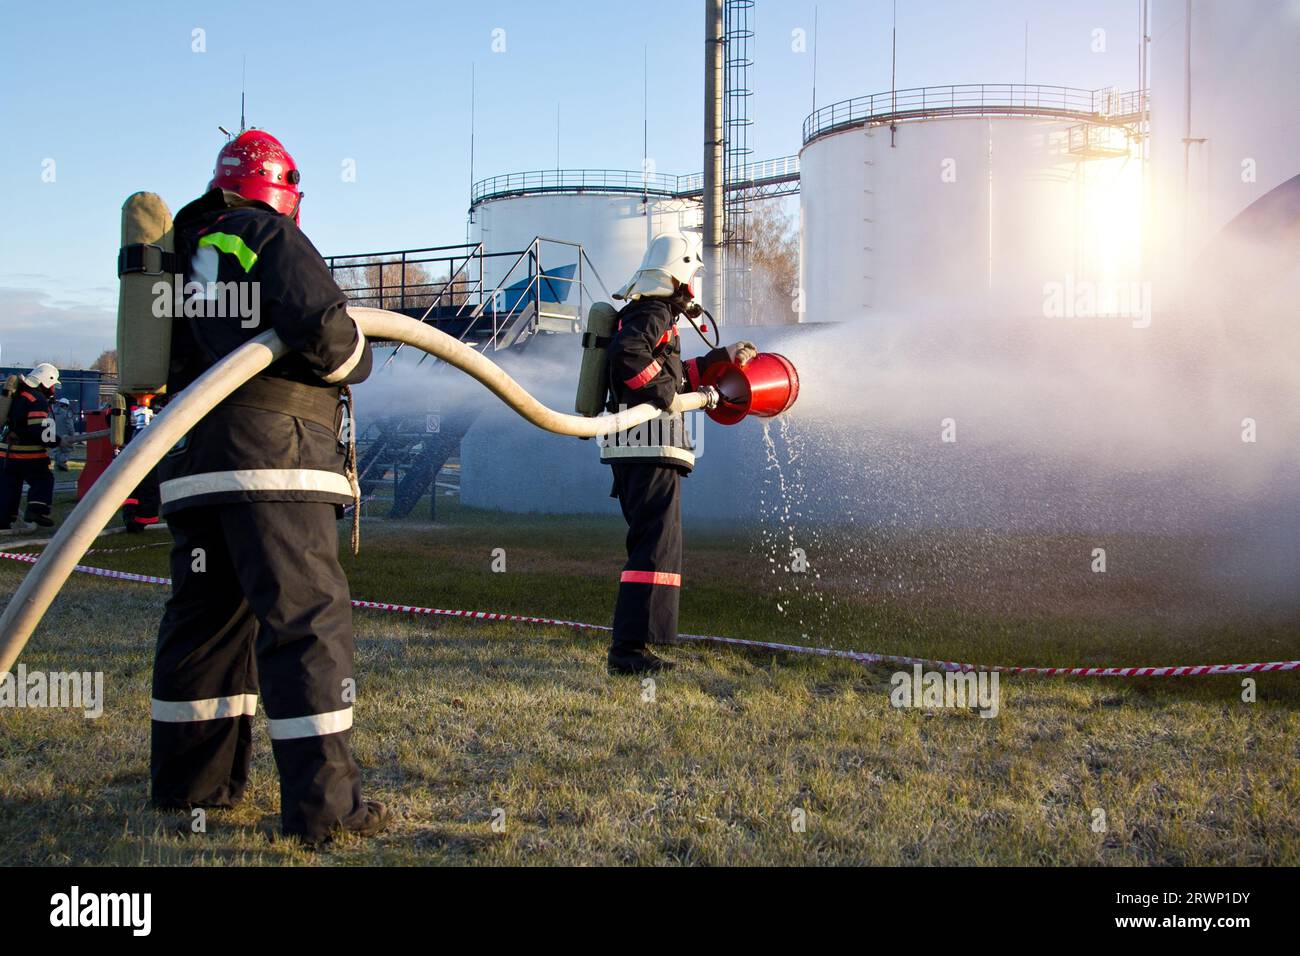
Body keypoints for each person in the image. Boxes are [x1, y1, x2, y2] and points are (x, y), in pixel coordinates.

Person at [149, 128, 385, 845]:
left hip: (195, 464)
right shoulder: (262, 230)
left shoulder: (184, 253)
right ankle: (326, 811)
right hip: (273, 461)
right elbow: (327, 334)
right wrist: (359, 358)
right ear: (283, 189)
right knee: (305, 626)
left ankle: (193, 788)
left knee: (207, 627)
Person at [601, 235, 755, 675]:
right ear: (677, 274)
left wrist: (718, 360)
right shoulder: (652, 312)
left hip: (643, 445)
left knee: (653, 543)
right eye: (691, 276)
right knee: (655, 545)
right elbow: (629, 357)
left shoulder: (654, 314)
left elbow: (673, 374)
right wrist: (663, 391)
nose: (693, 288)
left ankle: (633, 648)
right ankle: (628, 654)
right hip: (646, 444)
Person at [0, 363, 60, 530]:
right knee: (43, 479)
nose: (53, 389)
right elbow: (37, 429)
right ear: (46, 381)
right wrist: (57, 441)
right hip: (29, 454)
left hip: (6, 453)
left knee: (9, 487)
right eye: (53, 384)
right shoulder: (36, 399)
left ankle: (3, 521)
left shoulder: (18, 394)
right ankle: (37, 510)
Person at [120, 395, 161, 533]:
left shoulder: (125, 396)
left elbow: (113, 417)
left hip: (129, 444)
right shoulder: (158, 397)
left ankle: (131, 517)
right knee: (148, 483)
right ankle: (141, 519)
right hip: (149, 444)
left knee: (131, 485)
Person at [51, 398, 75, 471]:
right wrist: (72, 435)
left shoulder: (52, 413)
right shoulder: (66, 414)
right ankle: (61, 463)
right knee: (67, 451)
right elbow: (70, 426)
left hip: (53, 436)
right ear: (65, 406)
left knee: (56, 451)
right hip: (65, 437)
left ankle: (58, 465)